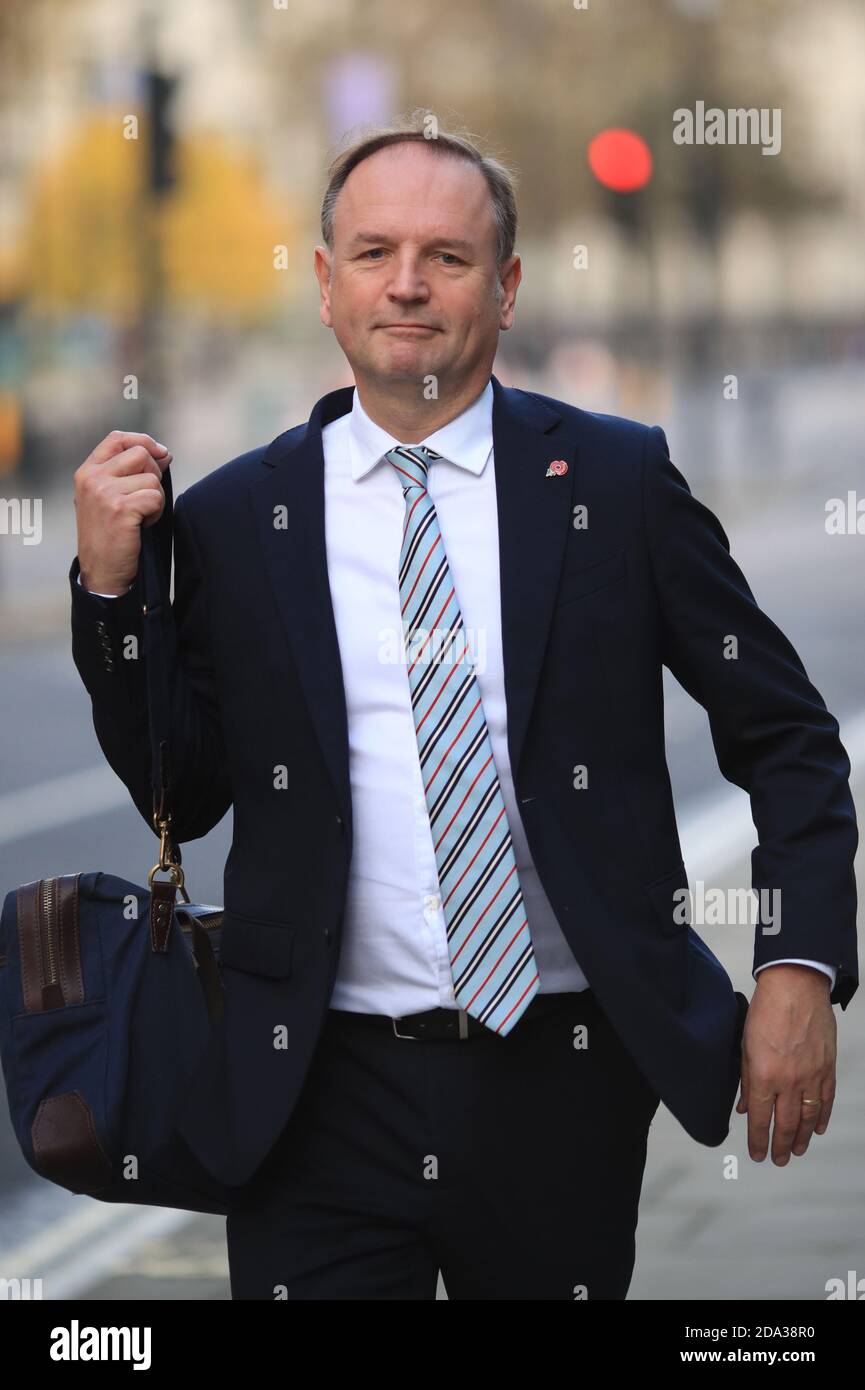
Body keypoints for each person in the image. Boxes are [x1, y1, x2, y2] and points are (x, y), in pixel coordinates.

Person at [69, 115, 858, 1300]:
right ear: (326, 287)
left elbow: (787, 733)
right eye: (374, 252)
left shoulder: (614, 480)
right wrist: (113, 588)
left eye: (446, 255)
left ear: (507, 285)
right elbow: (180, 781)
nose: (407, 284)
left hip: (563, 1073)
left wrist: (799, 963)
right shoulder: (237, 517)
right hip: (310, 1083)